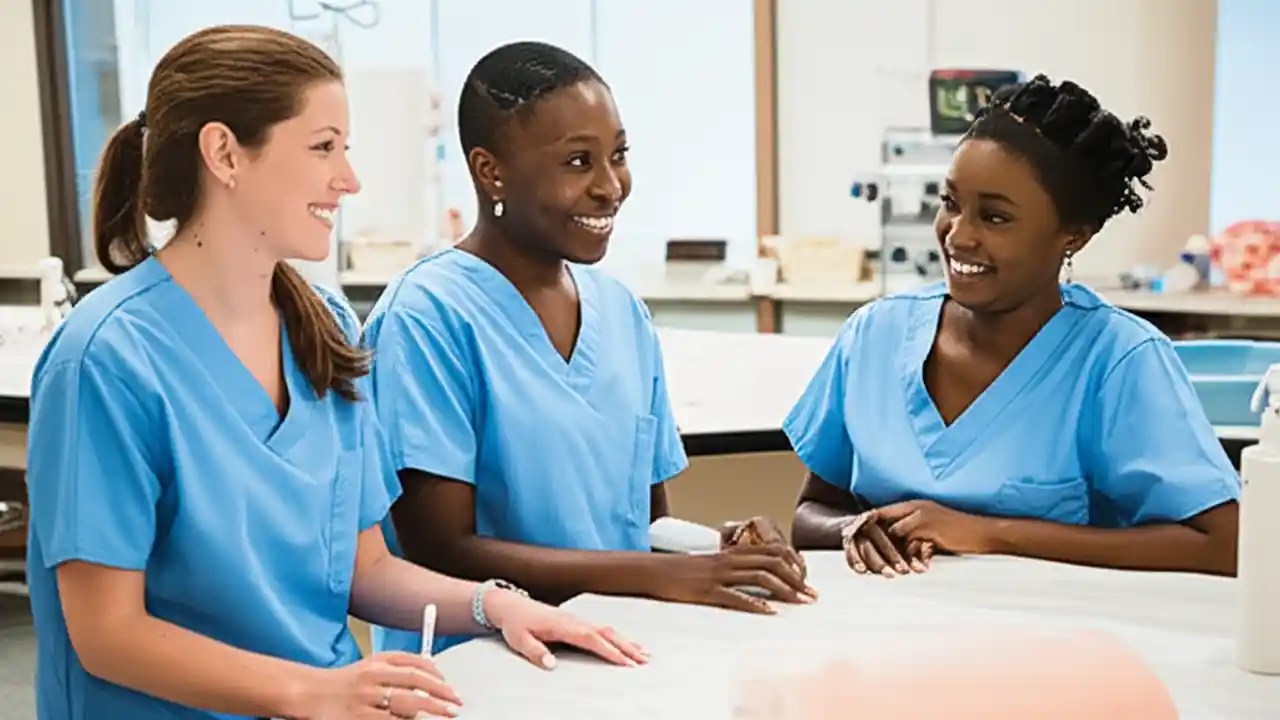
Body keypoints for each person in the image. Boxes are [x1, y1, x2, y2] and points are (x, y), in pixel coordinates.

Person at [25, 25, 645, 720]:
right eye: (323, 147)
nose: (347, 179)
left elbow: (365, 568)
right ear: (225, 153)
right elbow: (108, 636)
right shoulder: (106, 358)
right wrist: (315, 691)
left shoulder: (321, 325)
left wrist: (498, 607)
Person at [363, 40, 816, 656]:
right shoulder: (428, 316)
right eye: (578, 162)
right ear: (489, 170)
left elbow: (644, 527)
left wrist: (717, 547)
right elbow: (439, 549)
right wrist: (660, 576)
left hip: (617, 654)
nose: (611, 187)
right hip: (483, 668)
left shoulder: (622, 314)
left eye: (619, 155)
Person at [786, 75, 1240, 578]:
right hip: (889, 635)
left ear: (1074, 236)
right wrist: (858, 530)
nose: (958, 236)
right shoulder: (873, 336)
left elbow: (1222, 545)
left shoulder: (1117, 361)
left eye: (995, 218)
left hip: (1059, 644)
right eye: (951, 202)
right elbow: (810, 516)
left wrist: (988, 533)